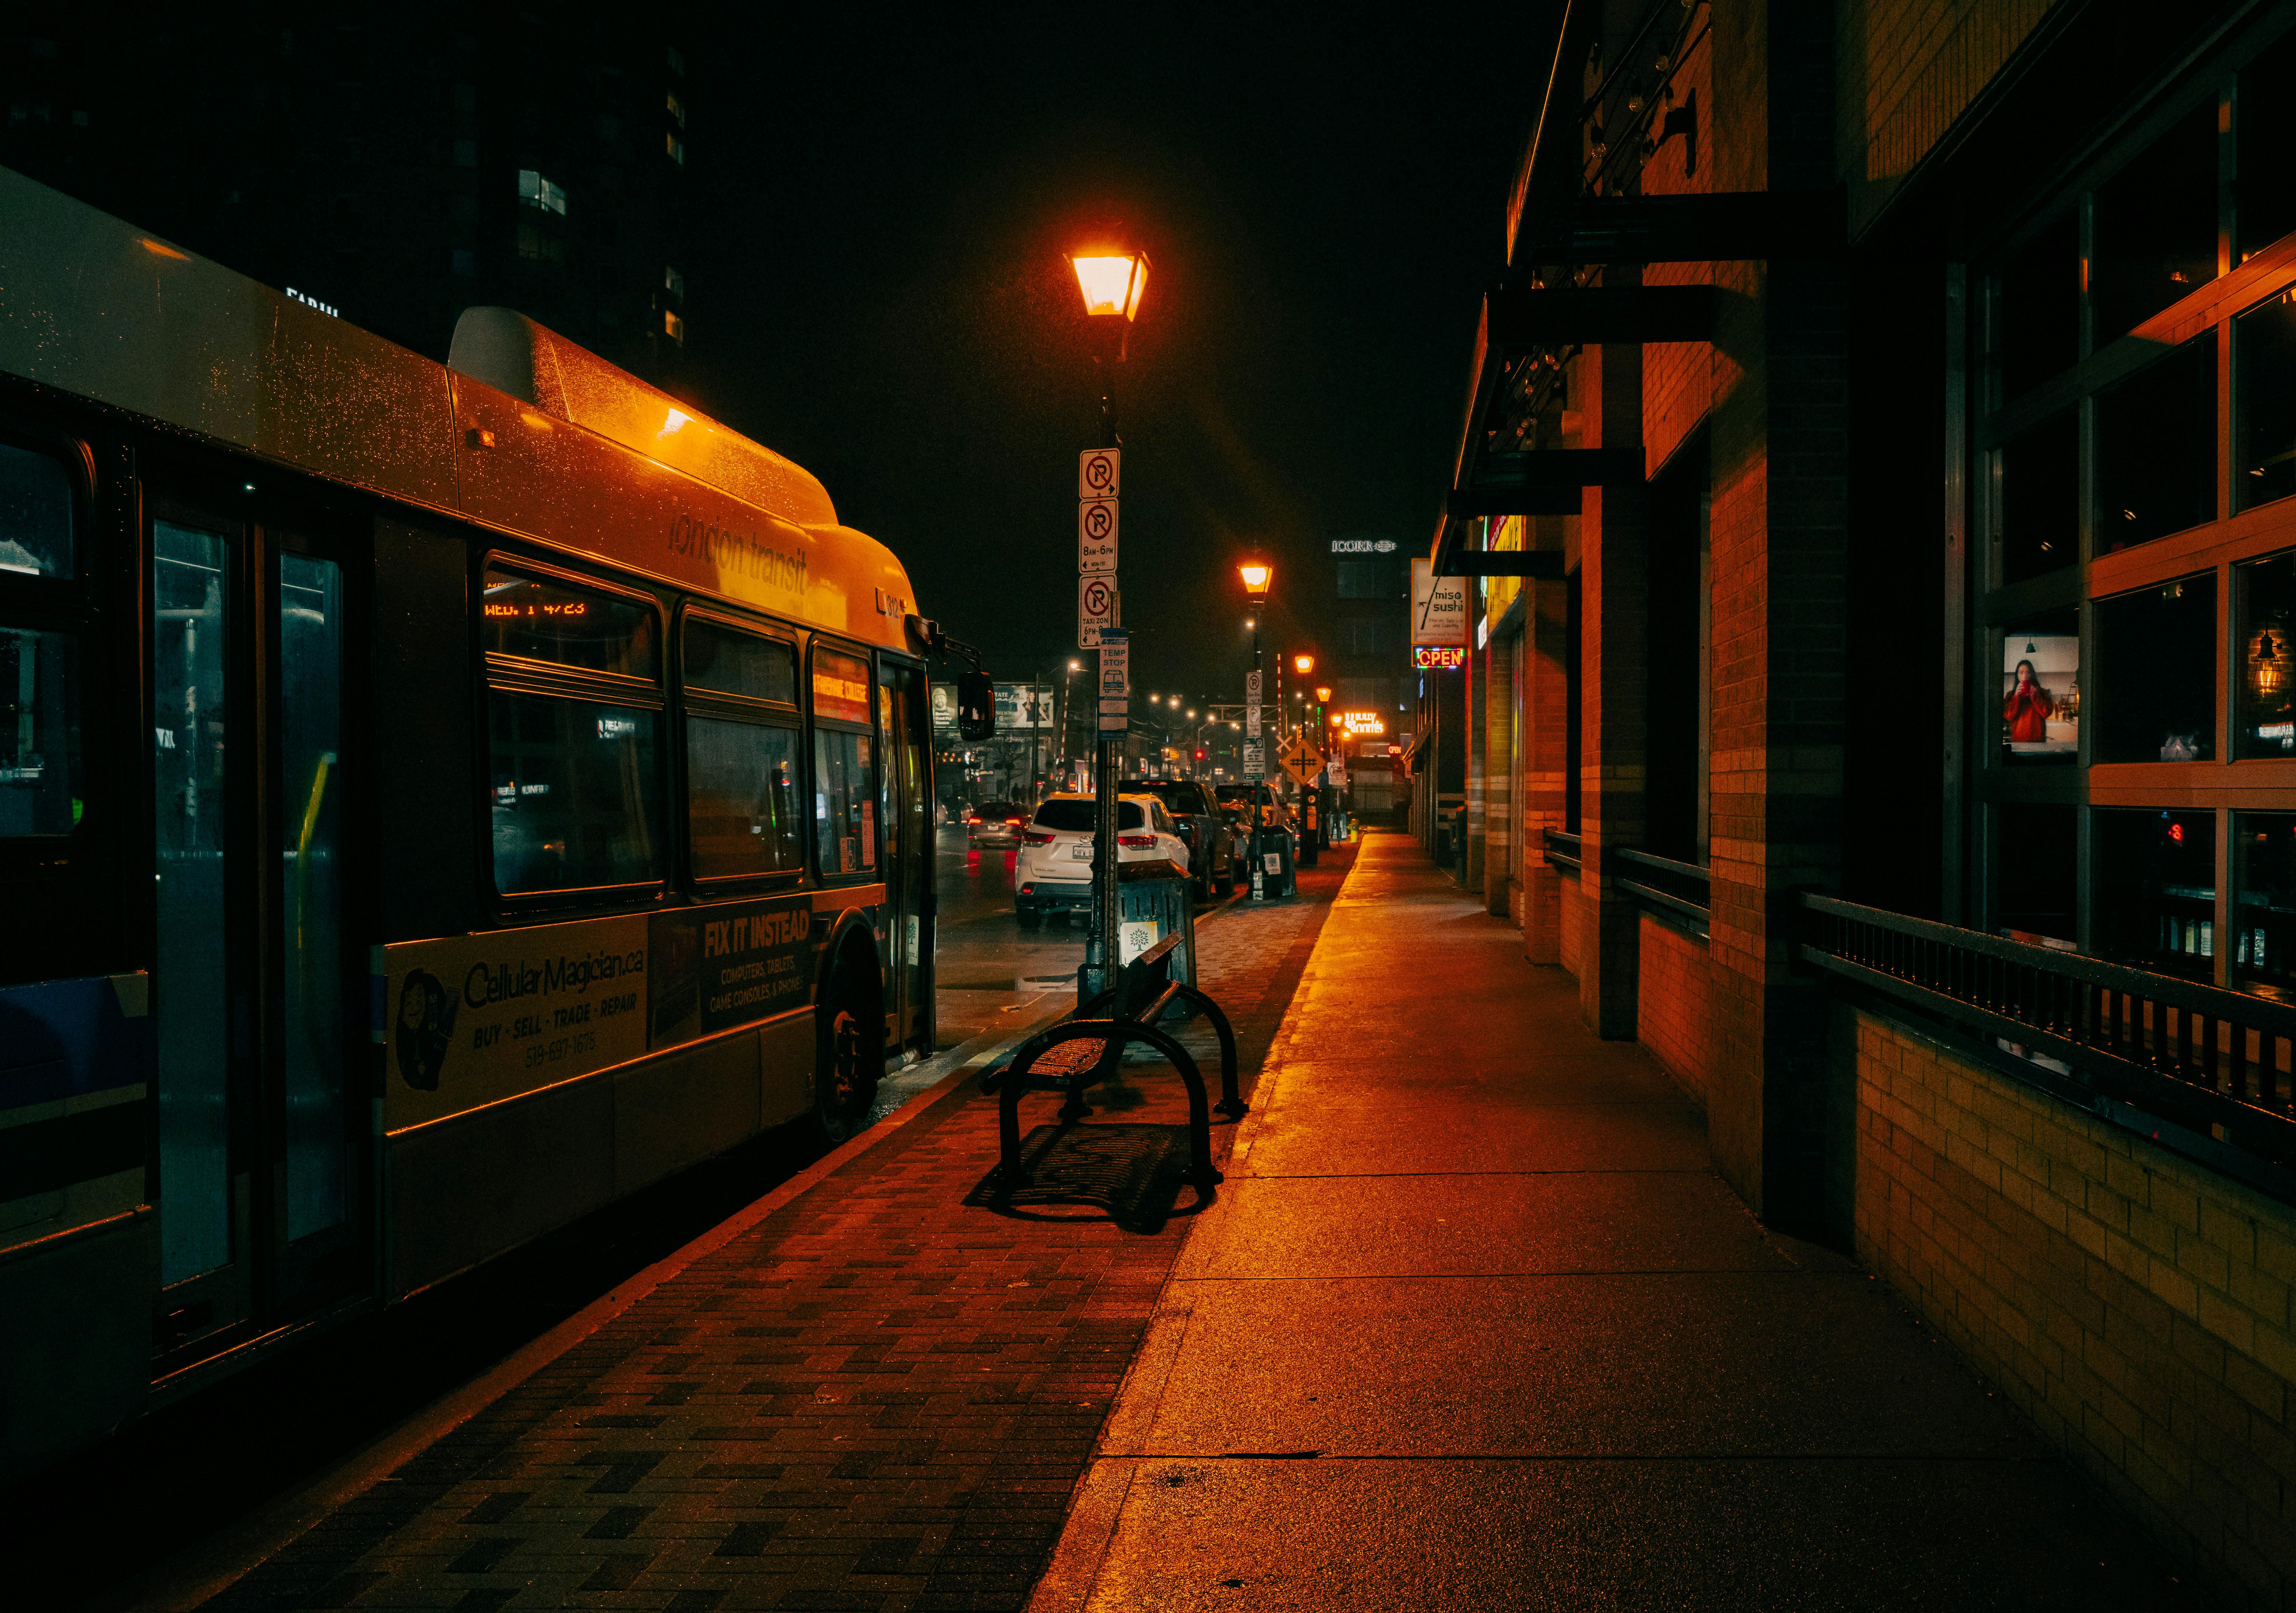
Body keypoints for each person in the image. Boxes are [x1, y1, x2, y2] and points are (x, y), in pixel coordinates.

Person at [2004, 658, 2053, 743]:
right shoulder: (2011, 696)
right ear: (2017, 676)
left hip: (2038, 741)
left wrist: (2035, 697)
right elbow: (2009, 717)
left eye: (2028, 672)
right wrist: (2016, 696)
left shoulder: (2043, 693)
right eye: (2022, 673)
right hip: (2018, 740)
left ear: (2032, 675)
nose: (2025, 676)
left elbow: (2046, 714)